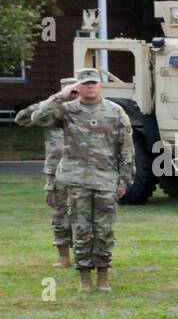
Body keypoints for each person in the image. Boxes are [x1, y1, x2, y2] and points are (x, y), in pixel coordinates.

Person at [28, 68, 134, 292]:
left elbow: (125, 148)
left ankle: (103, 276)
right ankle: (85, 278)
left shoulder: (115, 111)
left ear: (100, 85)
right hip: (76, 181)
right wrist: (61, 95)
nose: (89, 87)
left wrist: (123, 181)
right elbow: (37, 118)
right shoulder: (67, 111)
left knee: (104, 230)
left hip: (105, 179)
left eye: (93, 83)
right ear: (78, 86)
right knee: (81, 230)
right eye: (85, 83)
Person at [16, 76, 77, 268]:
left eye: (75, 90)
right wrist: (50, 102)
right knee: (60, 214)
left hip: (83, 170)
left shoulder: (87, 110)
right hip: (56, 170)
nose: (72, 95)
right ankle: (63, 257)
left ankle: (86, 256)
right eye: (68, 91)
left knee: (85, 213)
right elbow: (21, 119)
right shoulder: (49, 112)